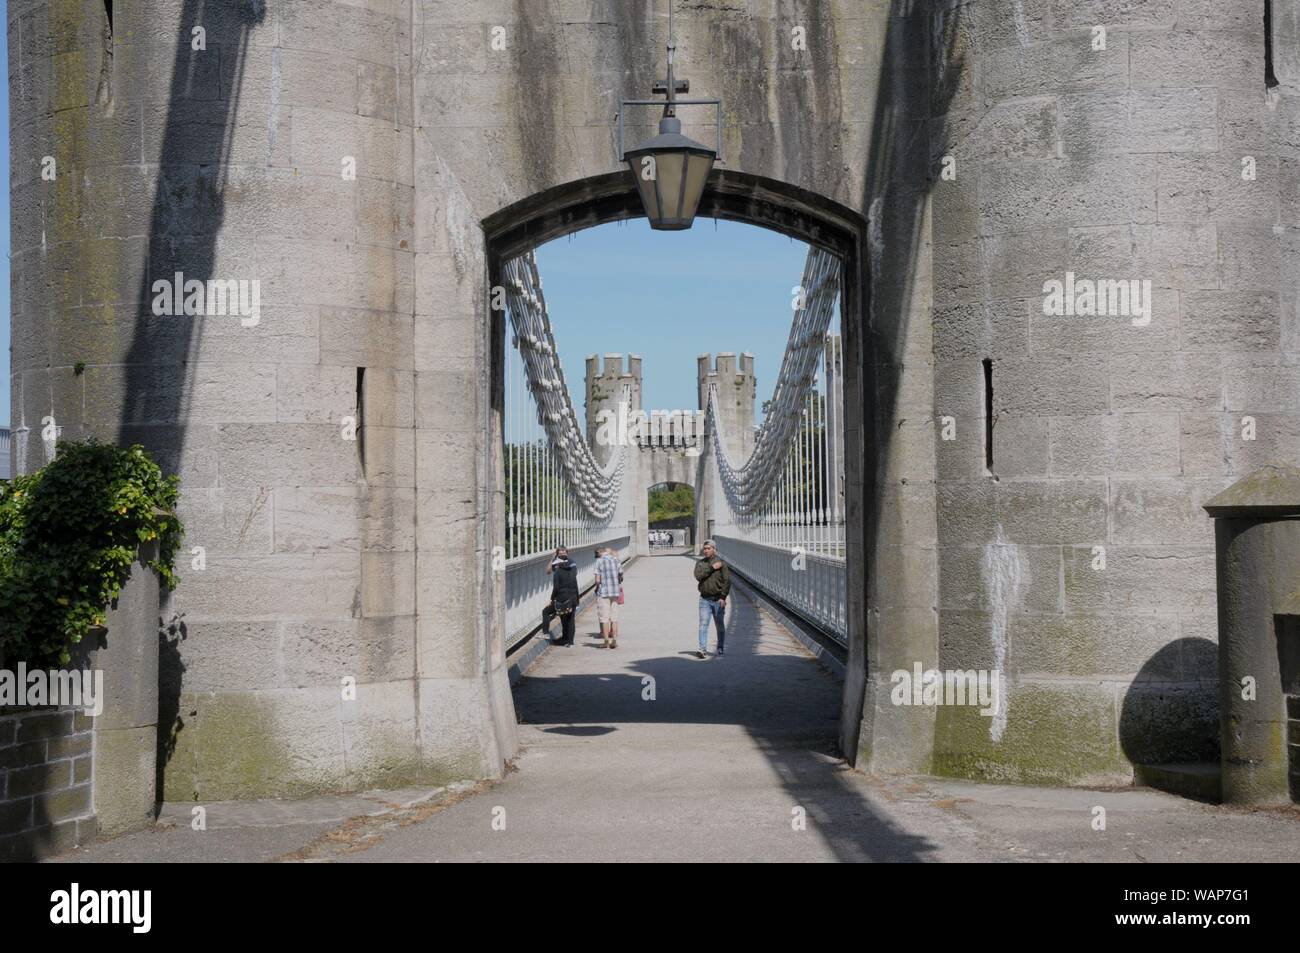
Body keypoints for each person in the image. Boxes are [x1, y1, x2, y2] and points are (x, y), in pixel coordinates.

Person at [693, 539, 730, 659]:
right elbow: (698, 576)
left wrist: (723, 597)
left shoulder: (722, 564)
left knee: (719, 625)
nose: (706, 551)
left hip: (718, 599)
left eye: (709, 548)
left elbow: (727, 581)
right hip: (704, 599)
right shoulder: (700, 563)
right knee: (703, 624)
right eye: (705, 548)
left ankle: (720, 647)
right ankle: (702, 649)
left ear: (714, 549)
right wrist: (712, 567)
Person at [545, 547, 579, 647]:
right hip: (568, 594)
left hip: (567, 594)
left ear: (567, 553)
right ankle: (566, 639)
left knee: (569, 618)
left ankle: (569, 640)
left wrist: (552, 598)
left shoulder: (571, 562)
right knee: (564, 617)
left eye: (564, 551)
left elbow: (573, 574)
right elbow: (548, 571)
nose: (562, 553)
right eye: (560, 552)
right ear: (557, 554)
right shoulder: (556, 563)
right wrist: (552, 560)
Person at [594, 547, 623, 649]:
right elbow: (620, 574)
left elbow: (597, 580)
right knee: (614, 617)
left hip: (604, 592)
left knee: (604, 617)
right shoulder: (615, 560)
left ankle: (606, 641)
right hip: (615, 592)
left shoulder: (599, 561)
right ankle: (614, 640)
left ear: (600, 552)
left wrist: (597, 587)